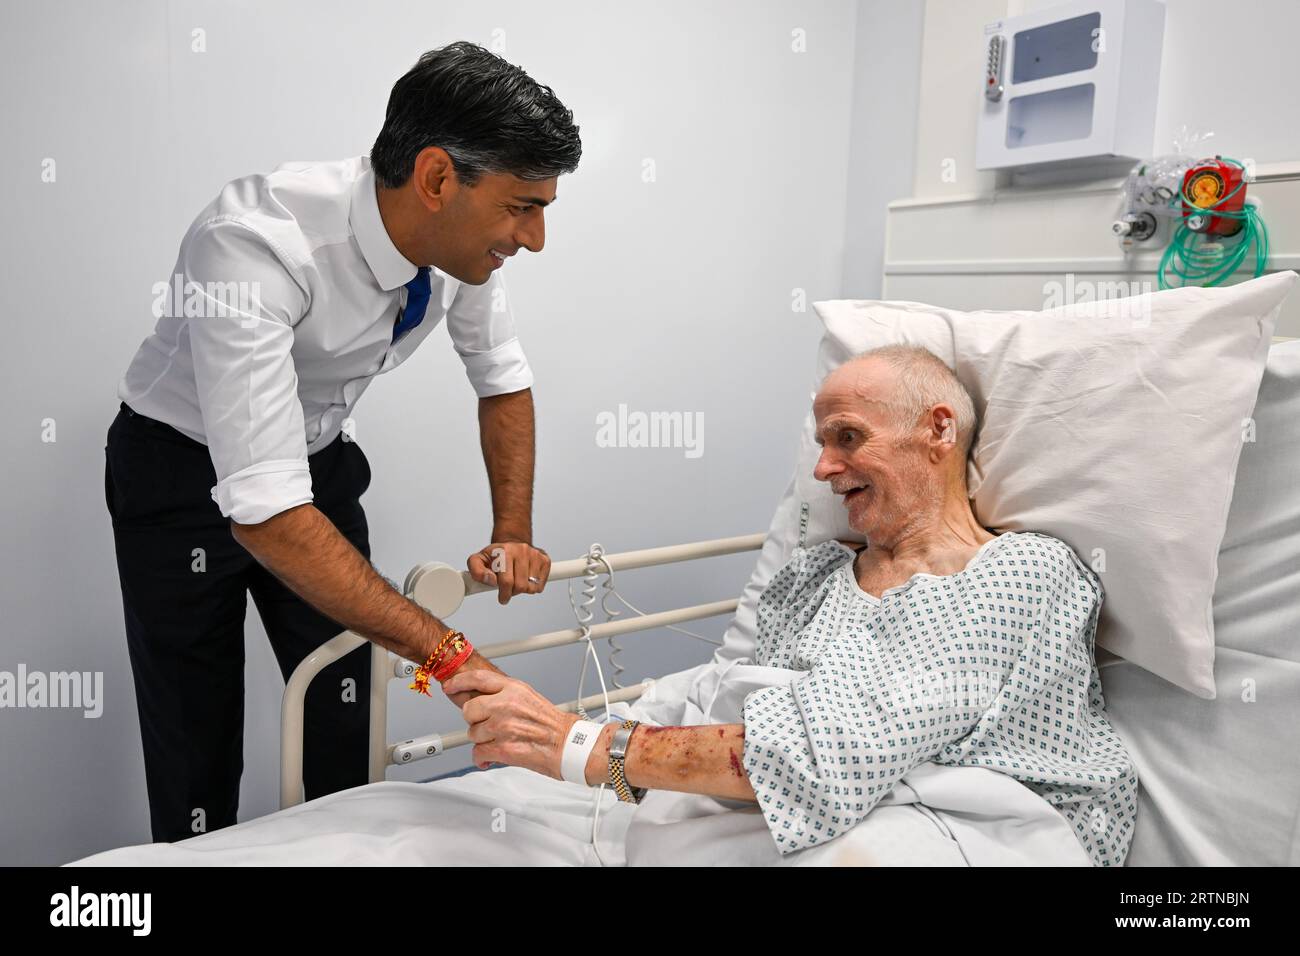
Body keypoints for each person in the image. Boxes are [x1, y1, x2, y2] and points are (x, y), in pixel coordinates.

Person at [103, 41, 579, 843]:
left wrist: (512, 532)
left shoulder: (466, 252)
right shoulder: (252, 243)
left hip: (313, 465)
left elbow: (500, 378)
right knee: (195, 727)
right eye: (521, 207)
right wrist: (458, 661)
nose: (533, 239)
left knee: (347, 704)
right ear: (435, 180)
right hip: (177, 474)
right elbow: (265, 514)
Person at [444, 344, 1139, 865]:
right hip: (789, 817)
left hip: (966, 827)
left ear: (937, 430)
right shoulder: (811, 575)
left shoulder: (1021, 571)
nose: (822, 468)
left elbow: (824, 752)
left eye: (848, 437)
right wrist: (559, 724)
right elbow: (723, 699)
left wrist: (581, 746)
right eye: (821, 443)